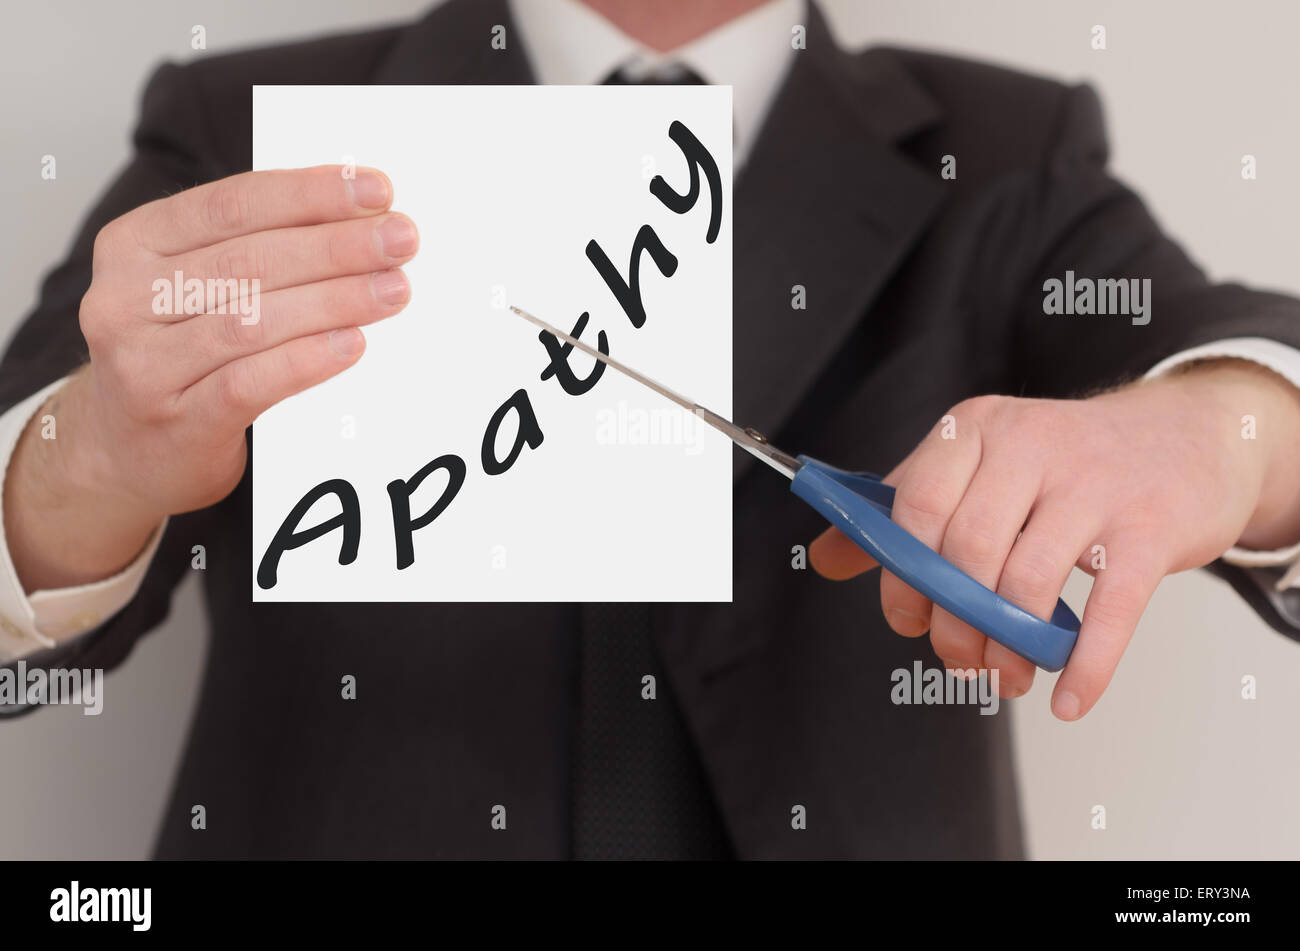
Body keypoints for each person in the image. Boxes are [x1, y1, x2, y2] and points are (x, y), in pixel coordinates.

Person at [1, 0, 1298, 859]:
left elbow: (1241, 359)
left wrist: (1216, 433)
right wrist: (101, 456)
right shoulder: (245, 127)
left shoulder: (1005, 152)